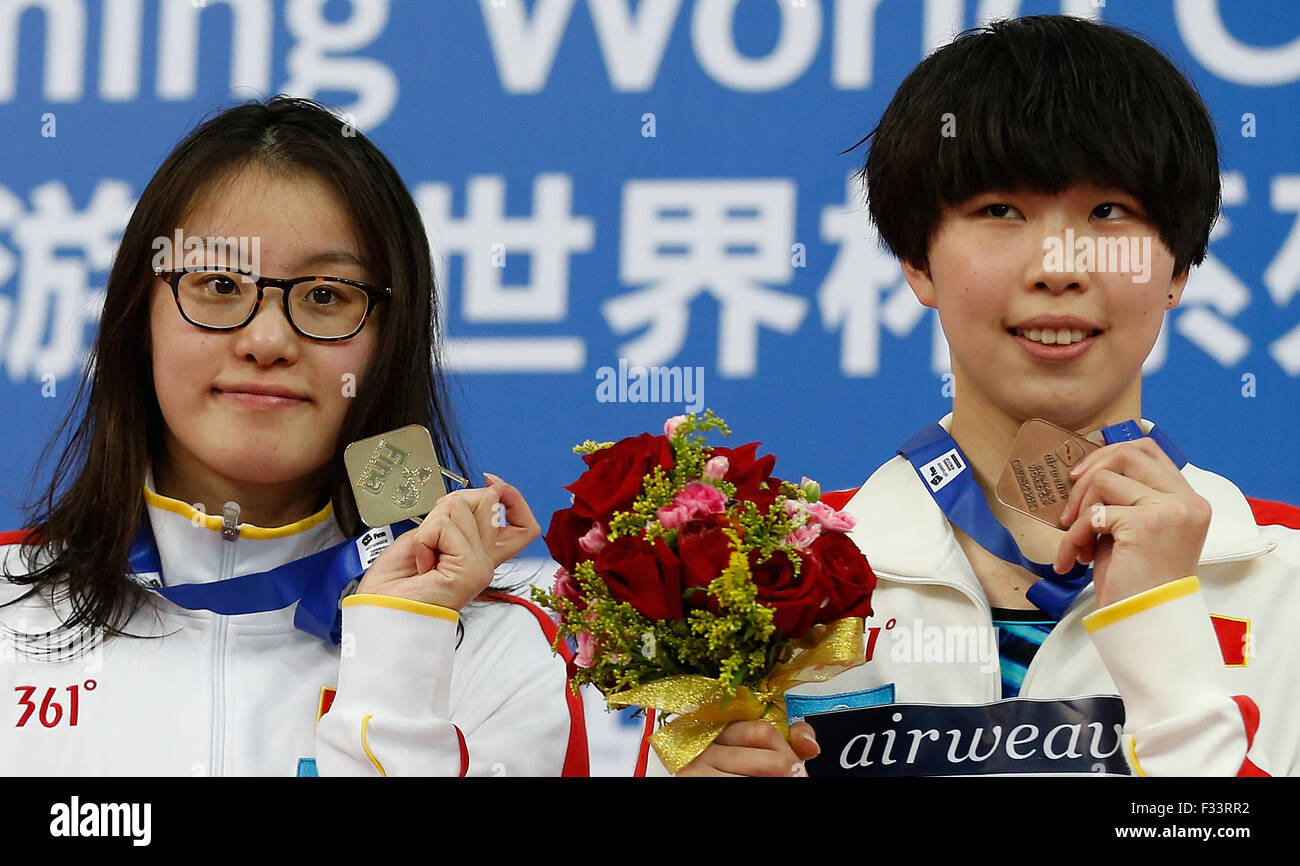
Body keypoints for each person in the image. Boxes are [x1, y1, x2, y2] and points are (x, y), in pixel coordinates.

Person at [655, 15, 1300, 777]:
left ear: (1178, 267)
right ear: (916, 261)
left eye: (1109, 213)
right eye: (1000, 212)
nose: (1058, 268)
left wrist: (1160, 629)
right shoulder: (773, 582)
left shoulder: (1283, 581)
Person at [0, 97, 587, 777]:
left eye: (326, 295)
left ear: (390, 342)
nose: (268, 340)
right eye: (219, 282)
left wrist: (402, 646)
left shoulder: (500, 647)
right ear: (139, 317)